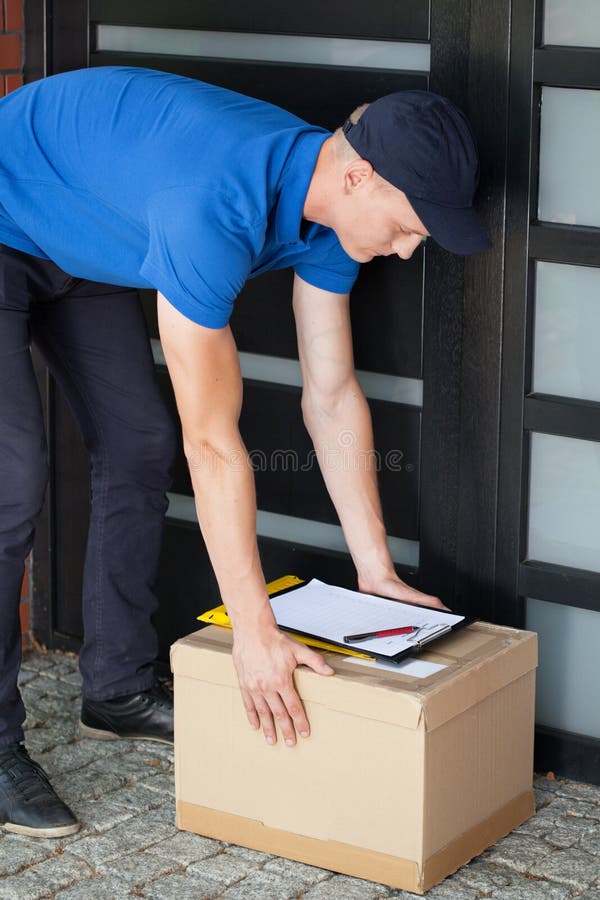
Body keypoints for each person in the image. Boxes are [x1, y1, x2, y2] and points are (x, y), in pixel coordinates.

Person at [0, 66, 490, 838]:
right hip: (10, 205)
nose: (403, 252)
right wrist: (254, 630)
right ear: (359, 176)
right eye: (406, 227)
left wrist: (376, 571)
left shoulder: (330, 219)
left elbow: (330, 395)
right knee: (10, 481)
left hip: (91, 236)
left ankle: (116, 692)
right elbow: (214, 440)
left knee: (139, 442)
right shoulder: (212, 203)